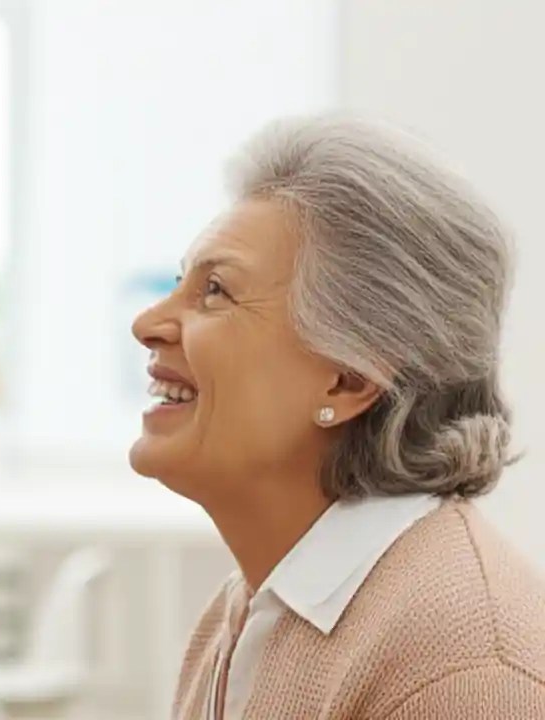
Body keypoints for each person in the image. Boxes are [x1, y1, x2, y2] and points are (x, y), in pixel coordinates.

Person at [130, 114, 545, 719]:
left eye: (215, 291)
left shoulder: (469, 671)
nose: (148, 323)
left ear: (350, 378)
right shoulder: (251, 611)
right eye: (179, 284)